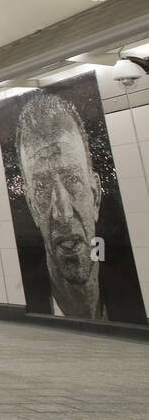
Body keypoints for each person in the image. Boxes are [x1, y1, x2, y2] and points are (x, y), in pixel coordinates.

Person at [13, 91, 144, 321]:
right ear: (33, 208)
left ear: (95, 195)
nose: (62, 212)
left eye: (72, 180)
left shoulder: (127, 284)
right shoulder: (32, 288)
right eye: (43, 187)